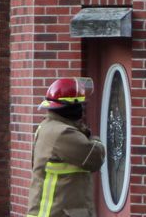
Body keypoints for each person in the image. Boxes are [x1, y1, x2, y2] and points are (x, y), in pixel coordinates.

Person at [28, 77, 106, 217]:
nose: (81, 110)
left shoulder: (47, 127)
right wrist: (95, 140)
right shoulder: (63, 133)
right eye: (80, 105)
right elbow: (95, 158)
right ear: (71, 107)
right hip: (58, 213)